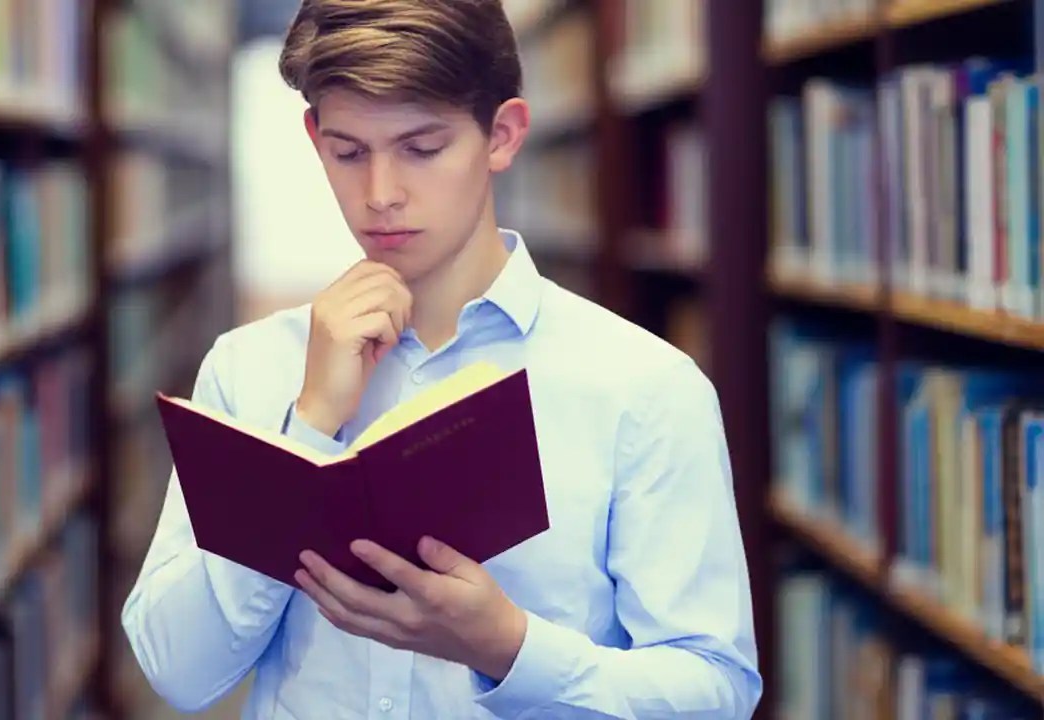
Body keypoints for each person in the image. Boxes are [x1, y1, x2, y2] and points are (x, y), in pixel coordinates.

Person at [121, 1, 763, 717]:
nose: (381, 196)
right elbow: (176, 673)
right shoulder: (249, 369)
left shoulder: (642, 388)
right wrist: (306, 425)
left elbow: (716, 690)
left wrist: (508, 647)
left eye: (422, 149)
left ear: (503, 135)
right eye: (348, 152)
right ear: (314, 138)